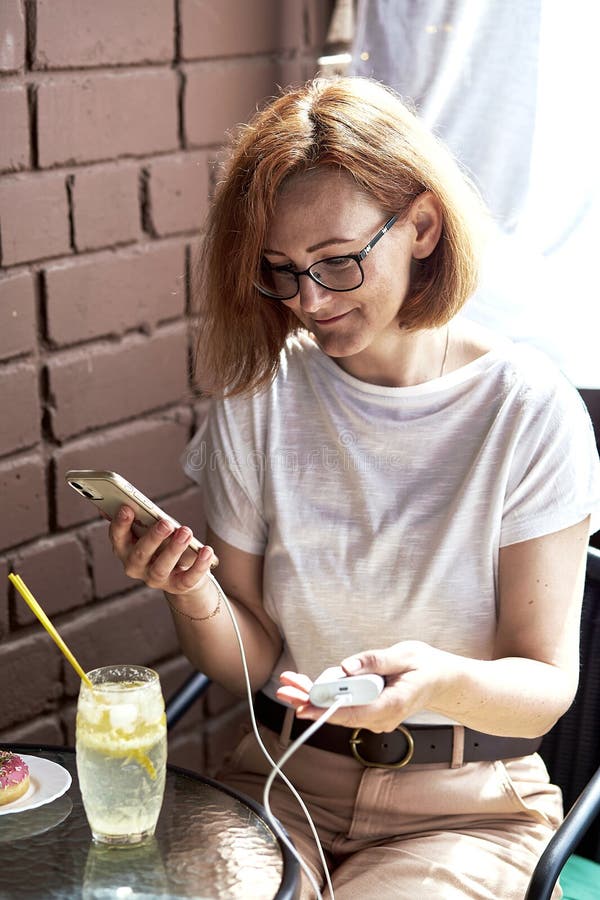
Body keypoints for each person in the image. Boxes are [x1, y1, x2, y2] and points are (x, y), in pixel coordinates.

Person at [108, 77, 600, 899]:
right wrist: (192, 594)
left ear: (422, 225)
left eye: (338, 263)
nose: (310, 301)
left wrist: (435, 683)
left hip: (465, 808)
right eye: (282, 272)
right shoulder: (259, 398)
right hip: (281, 784)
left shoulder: (525, 408)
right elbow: (252, 658)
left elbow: (545, 689)